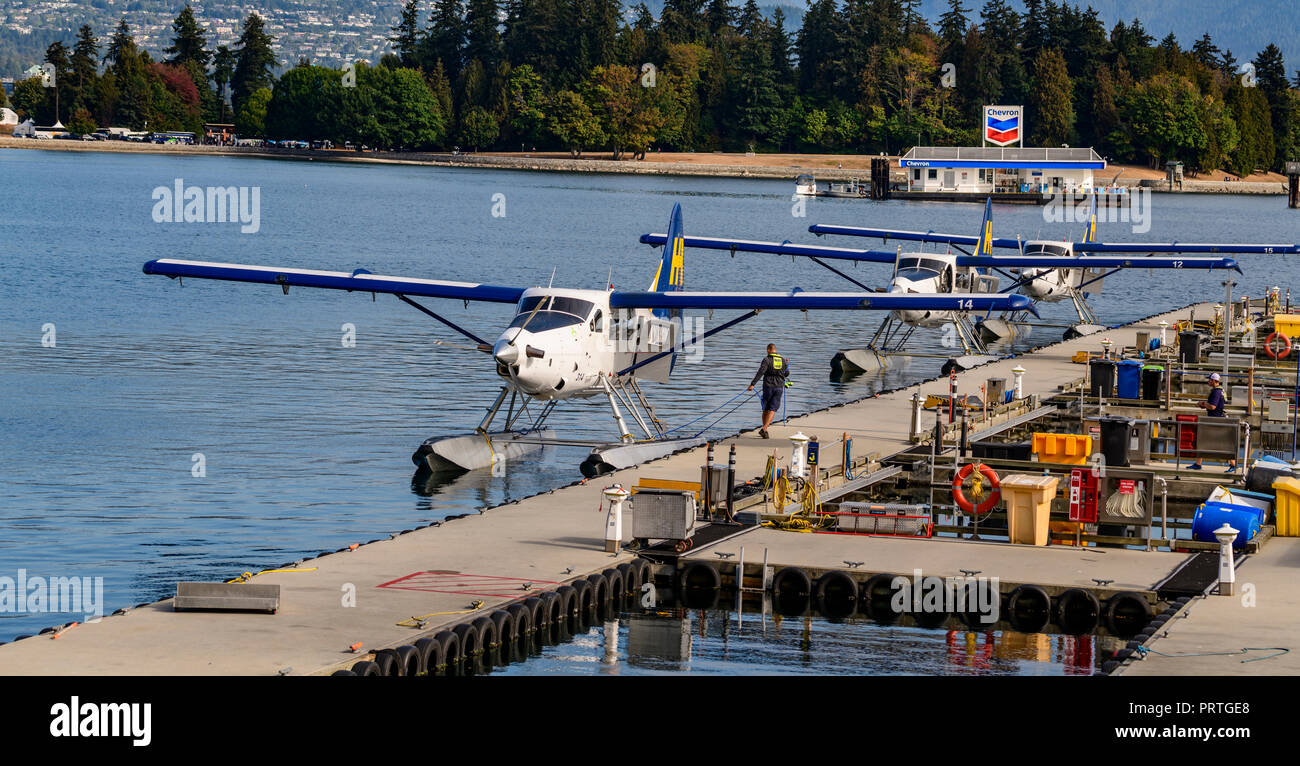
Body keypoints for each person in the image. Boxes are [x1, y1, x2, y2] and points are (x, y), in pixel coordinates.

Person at [1190, 372, 1237, 472]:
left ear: (1215, 381)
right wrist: (1204, 405)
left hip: (1215, 420)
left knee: (1220, 443)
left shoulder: (1216, 392)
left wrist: (1202, 403)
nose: (1208, 381)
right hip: (1216, 419)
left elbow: (1213, 406)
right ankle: (1198, 464)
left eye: (1210, 380)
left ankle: (1233, 465)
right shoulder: (1220, 390)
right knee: (1203, 440)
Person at [748, 344, 789, 438]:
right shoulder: (782, 360)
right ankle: (765, 429)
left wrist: (752, 384)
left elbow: (761, 372)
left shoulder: (766, 360)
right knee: (773, 409)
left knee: (766, 408)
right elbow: (786, 374)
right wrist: (787, 364)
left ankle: (764, 428)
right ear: (775, 350)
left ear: (768, 350)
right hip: (779, 387)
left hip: (768, 386)